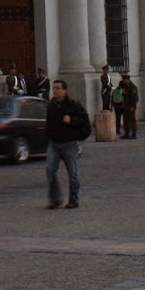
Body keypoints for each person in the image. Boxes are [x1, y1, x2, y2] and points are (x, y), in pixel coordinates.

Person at [43, 79, 91, 208]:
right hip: (54, 143)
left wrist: (71, 120)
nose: (55, 91)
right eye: (54, 88)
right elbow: (48, 122)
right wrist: (48, 133)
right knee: (50, 169)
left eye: (58, 88)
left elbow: (84, 121)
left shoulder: (73, 105)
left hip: (69, 144)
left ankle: (73, 199)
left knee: (72, 173)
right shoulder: (51, 106)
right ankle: (55, 198)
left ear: (64, 90)